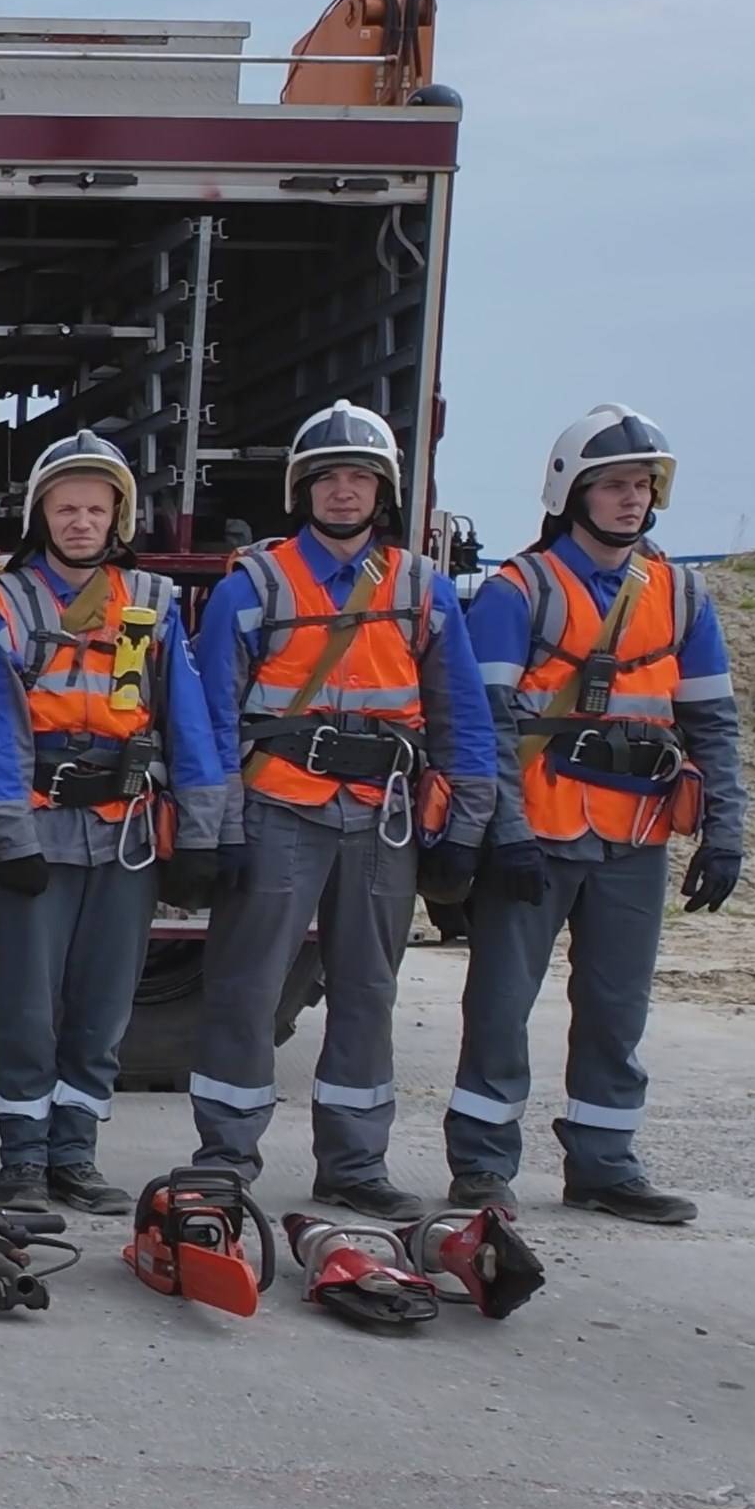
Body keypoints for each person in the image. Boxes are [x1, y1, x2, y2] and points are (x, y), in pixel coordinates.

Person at [184, 402, 496, 1217]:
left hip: (381, 817)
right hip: (279, 808)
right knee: (246, 988)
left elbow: (460, 710)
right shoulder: (254, 584)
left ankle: (355, 1165)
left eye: (360, 477)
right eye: (329, 477)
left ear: (383, 489)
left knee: (369, 990)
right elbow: (213, 713)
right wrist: (217, 828)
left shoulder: (422, 589)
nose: (345, 492)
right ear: (303, 488)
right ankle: (224, 1156)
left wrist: (465, 825)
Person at [445, 407, 745, 1223]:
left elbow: (713, 722)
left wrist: (726, 831)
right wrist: (503, 832)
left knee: (618, 1008)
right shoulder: (519, 592)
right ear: (571, 490)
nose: (630, 499)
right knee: (500, 1007)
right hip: (536, 837)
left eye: (642, 486)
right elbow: (487, 725)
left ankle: (605, 1164)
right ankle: (480, 1168)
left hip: (635, 839)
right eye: (613, 484)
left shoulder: (681, 594)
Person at [0, 433, 226, 1214]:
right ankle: (24, 1164)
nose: (80, 522)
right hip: (38, 832)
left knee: (105, 1007)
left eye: (96, 509)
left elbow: (188, 722)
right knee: (27, 1009)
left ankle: (75, 1154)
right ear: (40, 515)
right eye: (66, 507)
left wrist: (201, 837)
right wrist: (8, 840)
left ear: (119, 518)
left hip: (128, 835)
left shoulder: (149, 605)